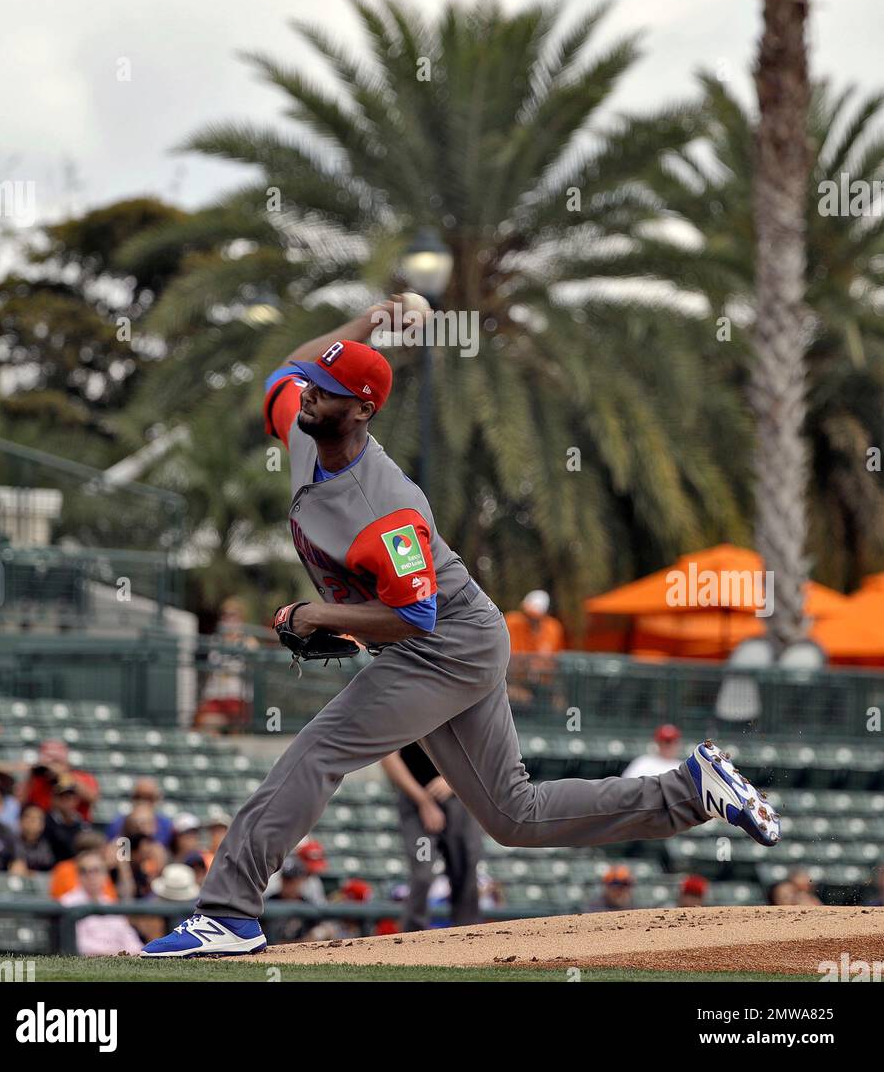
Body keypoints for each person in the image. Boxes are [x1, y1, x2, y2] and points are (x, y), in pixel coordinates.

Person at [140, 304, 781, 957]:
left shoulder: (387, 511)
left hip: (448, 642)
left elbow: (417, 617)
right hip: (444, 639)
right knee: (513, 816)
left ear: (362, 410)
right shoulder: (306, 425)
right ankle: (692, 789)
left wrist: (317, 616)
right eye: (313, 384)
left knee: (319, 752)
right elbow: (287, 370)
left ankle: (228, 912)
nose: (309, 394)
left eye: (328, 391)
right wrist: (367, 321)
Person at [382, 742, 482, 931]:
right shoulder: (403, 714)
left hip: (458, 797)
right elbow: (388, 757)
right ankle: (413, 936)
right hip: (416, 802)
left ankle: (469, 935)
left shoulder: (456, 711)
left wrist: (452, 781)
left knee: (466, 868)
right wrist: (423, 800)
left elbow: (479, 748)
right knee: (423, 872)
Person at [196, 598, 260, 732]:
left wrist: (239, 639)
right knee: (204, 723)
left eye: (233, 615)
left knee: (235, 728)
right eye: (225, 615)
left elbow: (255, 656)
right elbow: (210, 669)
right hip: (216, 693)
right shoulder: (216, 640)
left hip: (237, 695)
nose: (228, 619)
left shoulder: (248, 640)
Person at [61, 852, 143, 956]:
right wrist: (114, 954)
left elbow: (131, 940)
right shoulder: (68, 902)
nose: (91, 876)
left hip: (117, 960)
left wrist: (134, 952)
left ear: (105, 875)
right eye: (85, 871)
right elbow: (79, 944)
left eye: (96, 871)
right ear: (78, 876)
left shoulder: (110, 903)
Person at [20, 740, 99, 821]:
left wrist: (64, 775)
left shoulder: (81, 777)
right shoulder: (37, 780)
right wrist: (31, 775)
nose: (52, 767)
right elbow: (19, 803)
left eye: (57, 762)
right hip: (45, 829)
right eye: (49, 763)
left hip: (77, 827)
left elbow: (92, 797)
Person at [105, 778, 175, 848]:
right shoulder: (119, 823)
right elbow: (117, 855)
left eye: (149, 798)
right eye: (138, 797)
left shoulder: (167, 826)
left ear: (157, 799)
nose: (143, 802)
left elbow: (175, 856)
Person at [12, 802, 55, 874]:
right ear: (20, 820)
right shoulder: (11, 842)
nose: (33, 821)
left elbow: (49, 870)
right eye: (30, 817)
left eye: (38, 819)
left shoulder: (46, 845)